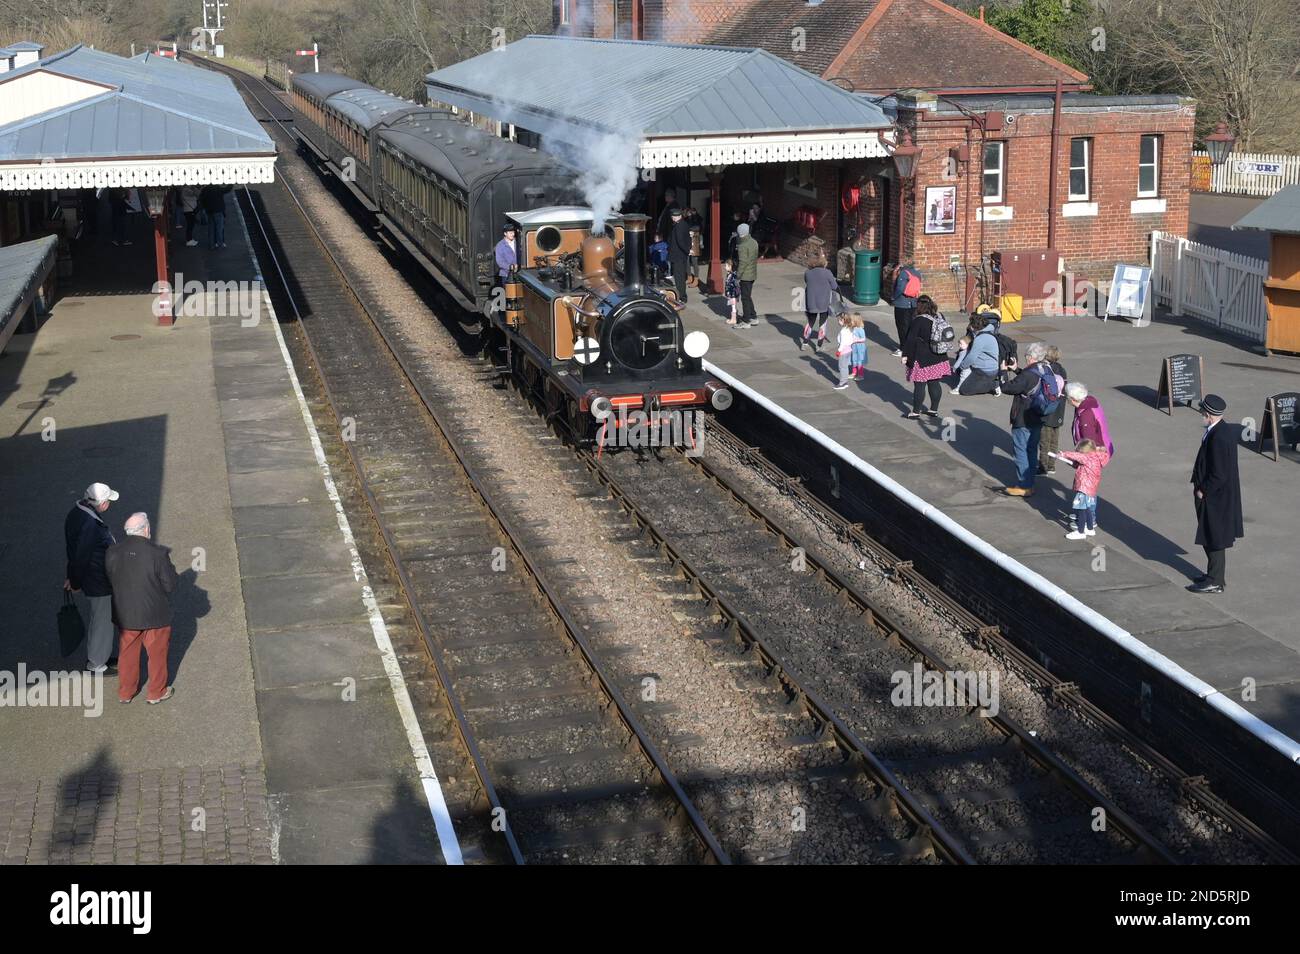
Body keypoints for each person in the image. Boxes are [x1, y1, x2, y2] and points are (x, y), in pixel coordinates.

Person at [105, 512, 179, 704]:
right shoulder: (158, 553)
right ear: (146, 529)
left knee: (127, 654)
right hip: (155, 615)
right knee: (157, 655)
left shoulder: (112, 552)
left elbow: (110, 578)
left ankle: (126, 693)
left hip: (126, 615)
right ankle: (156, 692)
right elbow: (170, 585)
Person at [1189, 394, 1243, 594]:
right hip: (1217, 495)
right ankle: (1214, 575)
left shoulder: (1218, 437)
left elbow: (1219, 474)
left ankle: (1215, 580)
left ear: (1209, 414)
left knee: (1214, 537)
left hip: (1214, 497)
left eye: (1203, 410)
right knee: (1212, 535)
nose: (1201, 413)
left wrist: (1203, 490)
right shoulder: (1220, 430)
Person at [64, 482, 119, 673]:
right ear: (101, 504)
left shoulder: (77, 513)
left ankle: (100, 655)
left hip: (92, 577)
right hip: (97, 580)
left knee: (101, 619)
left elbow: (74, 551)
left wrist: (71, 576)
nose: (109, 504)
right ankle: (96, 663)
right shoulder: (90, 524)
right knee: (102, 620)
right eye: (108, 501)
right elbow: (81, 556)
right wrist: (76, 582)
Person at [999, 341, 1057, 496]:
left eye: (1026, 356)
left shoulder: (1028, 373)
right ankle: (1030, 482)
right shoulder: (1046, 369)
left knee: (1021, 451)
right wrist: (1017, 369)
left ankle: (1024, 486)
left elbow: (1007, 388)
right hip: (1039, 415)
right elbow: (1030, 384)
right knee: (1031, 450)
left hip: (1024, 417)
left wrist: (1003, 372)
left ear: (1031, 357)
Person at [900, 295, 950, 419]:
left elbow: (910, 340)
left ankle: (916, 412)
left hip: (922, 358)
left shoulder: (919, 320)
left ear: (919, 306)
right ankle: (934, 410)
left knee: (920, 385)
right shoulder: (939, 316)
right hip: (939, 355)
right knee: (934, 383)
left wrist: (905, 355)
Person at [1051, 439, 1110, 540]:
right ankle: (1090, 528)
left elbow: (1076, 456)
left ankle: (1080, 531)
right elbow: (1078, 464)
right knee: (1087, 509)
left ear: (1084, 451)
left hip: (1084, 488)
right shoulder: (1095, 457)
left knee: (1081, 509)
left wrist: (1062, 454)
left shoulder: (1087, 457)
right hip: (1091, 488)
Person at [950, 313, 1002, 395]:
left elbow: (971, 358)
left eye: (971, 324)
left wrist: (962, 366)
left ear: (974, 326)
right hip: (991, 368)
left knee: (964, 390)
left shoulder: (980, 339)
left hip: (984, 370)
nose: (969, 326)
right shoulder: (989, 332)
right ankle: (987, 382)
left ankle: (993, 385)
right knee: (961, 372)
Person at [1037, 344, 1069, 476]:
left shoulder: (1045, 369)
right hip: (1060, 408)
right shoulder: (1062, 369)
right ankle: (1051, 465)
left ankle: (1043, 466)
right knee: (1055, 438)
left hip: (1049, 407)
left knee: (1045, 439)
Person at [800, 253, 839, 351]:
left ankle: (804, 343)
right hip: (824, 302)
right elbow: (834, 286)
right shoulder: (827, 273)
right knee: (823, 323)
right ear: (823, 262)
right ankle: (819, 345)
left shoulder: (807, 273)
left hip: (811, 301)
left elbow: (807, 282)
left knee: (810, 322)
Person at [887, 262, 921, 357]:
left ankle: (903, 349)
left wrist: (893, 297)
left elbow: (900, 288)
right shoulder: (917, 273)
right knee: (911, 326)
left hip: (902, 305)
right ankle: (912, 347)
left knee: (902, 327)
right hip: (913, 304)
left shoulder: (903, 273)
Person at [735, 223, 759, 327]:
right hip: (752, 273)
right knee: (748, 296)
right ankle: (753, 316)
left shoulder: (742, 246)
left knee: (745, 298)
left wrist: (738, 276)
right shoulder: (754, 242)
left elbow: (742, 262)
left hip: (745, 275)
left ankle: (746, 320)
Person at [667, 208, 692, 309]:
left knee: (679, 277)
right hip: (681, 255)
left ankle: (682, 296)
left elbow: (680, 241)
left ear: (677, 216)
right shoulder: (684, 224)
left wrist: (687, 250)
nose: (672, 218)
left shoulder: (678, 227)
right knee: (680, 275)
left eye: (673, 216)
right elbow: (688, 238)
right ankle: (682, 295)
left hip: (678, 255)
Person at [200, 185, 230, 249]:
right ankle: (220, 244)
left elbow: (201, 199)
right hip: (218, 211)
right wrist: (231, 183)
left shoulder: (205, 189)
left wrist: (205, 208)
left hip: (209, 211)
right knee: (219, 228)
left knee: (211, 229)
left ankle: (212, 244)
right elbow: (227, 189)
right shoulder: (217, 188)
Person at [833, 314, 855, 390]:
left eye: (839, 320)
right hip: (849, 349)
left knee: (842, 367)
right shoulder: (849, 328)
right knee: (845, 367)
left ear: (843, 321)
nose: (838, 322)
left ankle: (842, 383)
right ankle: (845, 381)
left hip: (843, 351)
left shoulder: (843, 331)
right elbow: (852, 339)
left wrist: (839, 351)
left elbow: (842, 342)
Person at [850, 314, 868, 379]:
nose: (850, 322)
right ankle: (854, 373)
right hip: (854, 347)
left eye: (851, 321)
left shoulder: (860, 329)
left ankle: (860, 375)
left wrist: (856, 340)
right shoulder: (853, 328)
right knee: (854, 359)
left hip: (860, 348)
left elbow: (864, 339)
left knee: (859, 361)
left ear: (856, 321)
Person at [723, 260, 740, 326]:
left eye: (726, 266)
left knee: (733, 306)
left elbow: (735, 285)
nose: (725, 267)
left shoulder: (733, 275)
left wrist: (732, 294)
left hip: (733, 294)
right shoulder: (730, 274)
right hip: (731, 293)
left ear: (730, 266)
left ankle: (733, 319)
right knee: (733, 305)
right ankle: (734, 317)